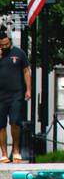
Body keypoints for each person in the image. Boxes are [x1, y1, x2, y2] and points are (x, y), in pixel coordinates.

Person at [0, 27, 30, 164]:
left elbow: (26, 71)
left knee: (15, 121)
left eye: (7, 44)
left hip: (16, 93)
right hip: (1, 95)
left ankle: (16, 151)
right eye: (2, 45)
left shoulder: (19, 53)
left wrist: (28, 89)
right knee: (1, 125)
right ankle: (4, 154)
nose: (5, 46)